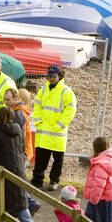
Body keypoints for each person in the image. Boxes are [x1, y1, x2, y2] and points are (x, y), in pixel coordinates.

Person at [0, 106, 33, 222]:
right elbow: (21, 147)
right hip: (18, 167)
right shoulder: (18, 130)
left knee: (2, 199)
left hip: (2, 168)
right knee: (19, 197)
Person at [31, 63, 76, 192]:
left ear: (59, 75)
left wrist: (60, 125)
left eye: (53, 76)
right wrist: (37, 121)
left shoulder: (66, 92)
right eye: (49, 76)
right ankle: (37, 180)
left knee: (57, 161)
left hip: (57, 133)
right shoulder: (43, 90)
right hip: (44, 132)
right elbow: (37, 106)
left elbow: (70, 110)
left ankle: (54, 181)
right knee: (41, 160)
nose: (51, 78)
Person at [5, 87, 40, 216]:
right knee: (16, 179)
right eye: (4, 99)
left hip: (21, 151)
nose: (5, 102)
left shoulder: (18, 114)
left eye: (8, 99)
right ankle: (28, 203)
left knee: (16, 180)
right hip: (22, 151)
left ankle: (29, 204)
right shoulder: (18, 111)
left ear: (17, 99)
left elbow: (15, 134)